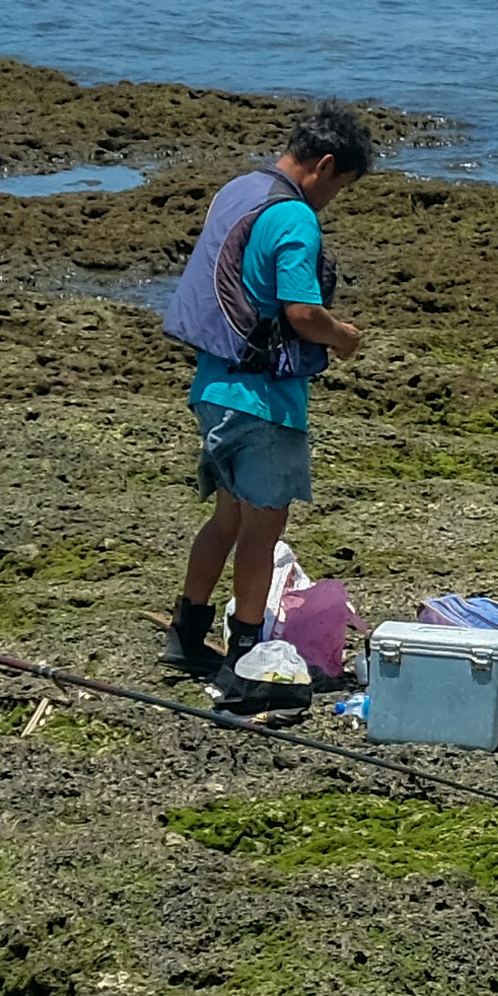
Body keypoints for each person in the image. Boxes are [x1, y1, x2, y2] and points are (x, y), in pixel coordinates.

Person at [159, 102, 376, 674]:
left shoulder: (239, 189)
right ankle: (247, 655)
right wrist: (344, 337)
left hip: (213, 388)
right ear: (326, 165)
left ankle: (185, 635)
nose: (333, 200)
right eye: (342, 187)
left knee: (227, 518)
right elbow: (303, 313)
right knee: (263, 528)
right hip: (261, 400)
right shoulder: (294, 217)